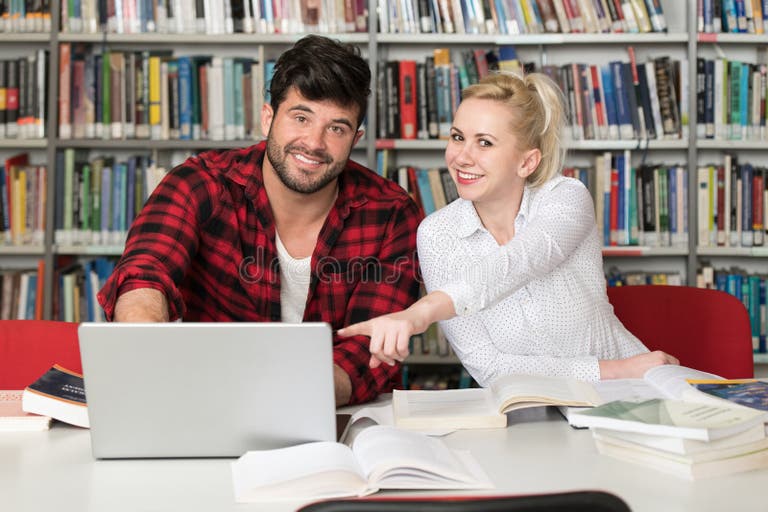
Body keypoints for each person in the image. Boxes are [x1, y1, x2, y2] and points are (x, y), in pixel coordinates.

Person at [97, 35, 422, 406]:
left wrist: (283, 400)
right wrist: (147, 347)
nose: (314, 142)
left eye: (336, 128)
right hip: (206, 404)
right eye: (301, 117)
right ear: (268, 117)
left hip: (328, 411)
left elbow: (370, 350)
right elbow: (145, 274)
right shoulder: (199, 184)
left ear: (355, 138)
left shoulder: (392, 214)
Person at [339, 71, 679, 387]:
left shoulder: (566, 198)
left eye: (484, 143)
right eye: (458, 137)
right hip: (533, 409)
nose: (461, 157)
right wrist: (611, 371)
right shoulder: (437, 234)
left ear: (527, 162)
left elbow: (519, 262)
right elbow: (488, 366)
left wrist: (418, 314)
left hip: (632, 389)